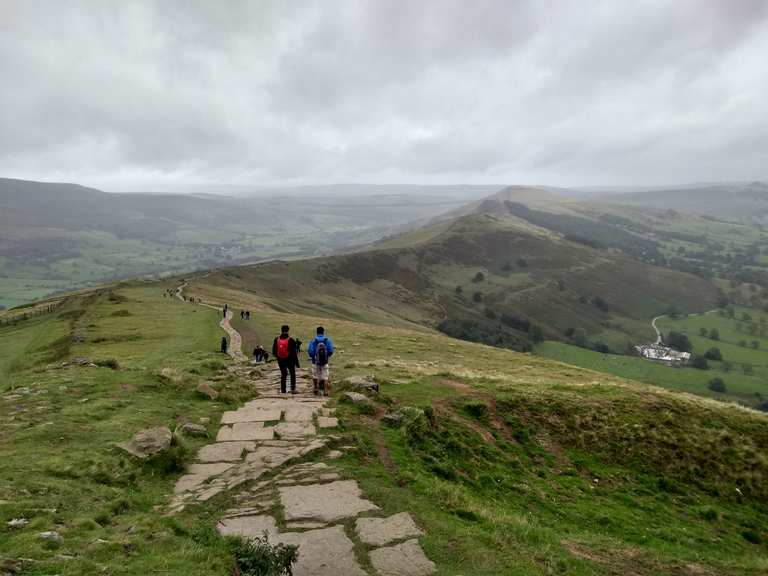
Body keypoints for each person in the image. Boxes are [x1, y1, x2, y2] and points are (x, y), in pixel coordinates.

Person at [272, 325, 299, 394]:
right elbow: (294, 353)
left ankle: (283, 390)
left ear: (281, 330)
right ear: (288, 330)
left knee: (283, 374)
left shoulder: (276, 339)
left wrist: (278, 357)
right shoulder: (291, 340)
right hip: (290, 360)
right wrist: (297, 363)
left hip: (280, 360)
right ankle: (293, 389)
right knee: (292, 373)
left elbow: (274, 351)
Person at [308, 326, 334, 396]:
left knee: (315, 375)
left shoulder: (313, 340)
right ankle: (325, 391)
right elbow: (331, 351)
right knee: (325, 376)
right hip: (325, 362)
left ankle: (316, 388)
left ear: (317, 332)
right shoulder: (327, 340)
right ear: (323, 332)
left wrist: (314, 356)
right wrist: (326, 356)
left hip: (315, 362)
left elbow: (310, 352)